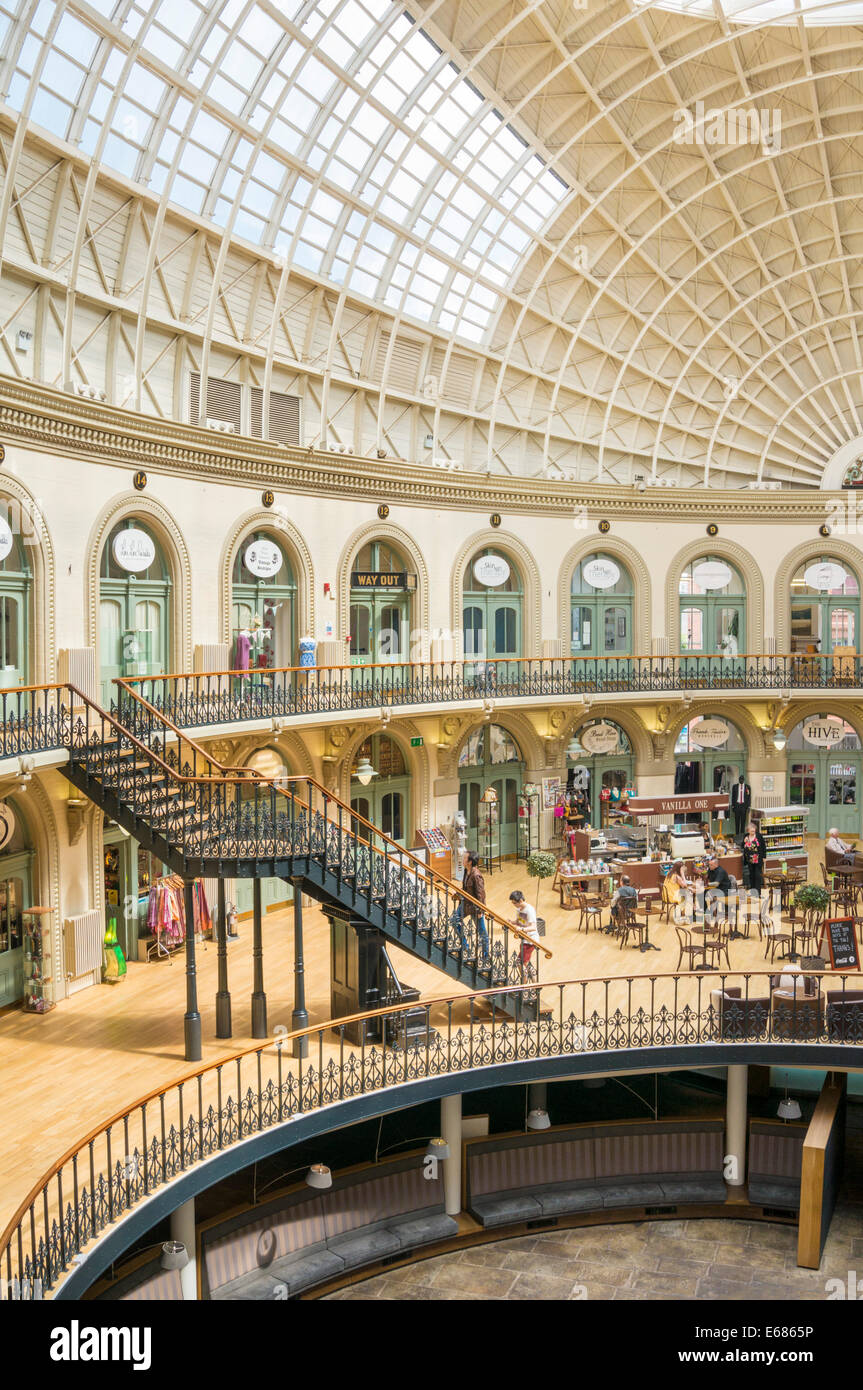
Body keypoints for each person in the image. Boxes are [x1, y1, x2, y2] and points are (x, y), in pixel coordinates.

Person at [457, 852, 490, 965]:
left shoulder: (476, 875)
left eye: (464, 858)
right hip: (465, 904)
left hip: (475, 907)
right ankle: (465, 946)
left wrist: (480, 910)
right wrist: (457, 893)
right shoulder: (466, 871)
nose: (462, 859)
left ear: (470, 861)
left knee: (482, 932)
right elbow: (465, 887)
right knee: (454, 920)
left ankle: (486, 956)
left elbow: (481, 894)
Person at [509, 889, 540, 980]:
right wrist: (513, 922)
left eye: (515, 903)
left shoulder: (529, 910)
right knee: (524, 963)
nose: (514, 905)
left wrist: (522, 929)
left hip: (530, 940)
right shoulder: (519, 909)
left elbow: (533, 927)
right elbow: (520, 921)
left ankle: (525, 981)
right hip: (524, 939)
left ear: (521, 900)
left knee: (521, 963)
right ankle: (533, 983)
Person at [742, 819, 767, 895]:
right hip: (749, 860)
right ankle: (753, 892)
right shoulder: (746, 836)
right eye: (751, 830)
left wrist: (764, 857)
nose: (753, 831)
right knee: (751, 876)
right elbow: (742, 846)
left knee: (757, 876)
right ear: (748, 830)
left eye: (754, 830)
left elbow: (763, 846)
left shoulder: (759, 836)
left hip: (758, 859)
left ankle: (758, 893)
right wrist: (744, 841)